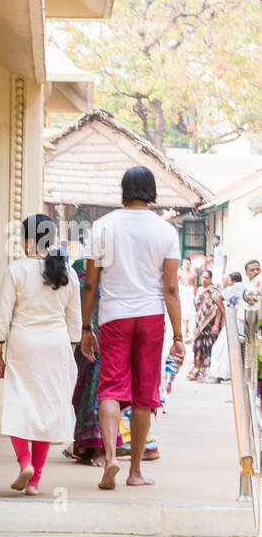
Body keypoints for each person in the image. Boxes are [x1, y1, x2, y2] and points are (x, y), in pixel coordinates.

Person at [81, 166, 184, 490]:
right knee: (144, 396)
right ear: (151, 191)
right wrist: (179, 336)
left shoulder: (103, 227)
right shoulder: (165, 231)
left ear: (124, 190)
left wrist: (86, 327)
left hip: (113, 317)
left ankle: (111, 457)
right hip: (151, 317)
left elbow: (90, 285)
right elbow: (170, 289)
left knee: (110, 389)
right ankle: (135, 471)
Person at [0, 216, 82, 495]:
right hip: (56, 345)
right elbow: (74, 320)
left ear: (26, 239)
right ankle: (35, 481)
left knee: (20, 405)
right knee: (46, 408)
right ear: (50, 239)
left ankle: (24, 462)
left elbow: (2, 315)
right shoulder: (68, 273)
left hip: (23, 344)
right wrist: (69, 353)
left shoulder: (16, 270)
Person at [67, 254, 104, 465]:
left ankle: (99, 448)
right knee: (83, 394)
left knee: (96, 394)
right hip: (82, 337)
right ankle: (84, 445)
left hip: (101, 338)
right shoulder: (79, 268)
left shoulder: (111, 271)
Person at [208, 272, 246, 383]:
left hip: (235, 322)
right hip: (238, 322)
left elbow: (216, 297)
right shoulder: (245, 286)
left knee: (220, 347)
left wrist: (225, 314)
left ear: (233, 281)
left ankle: (218, 375)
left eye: (228, 281)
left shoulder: (236, 287)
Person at [186, 269, 223, 382]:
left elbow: (218, 309)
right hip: (199, 324)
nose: (203, 279)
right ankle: (197, 370)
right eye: (202, 277)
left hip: (210, 324)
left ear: (210, 279)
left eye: (206, 277)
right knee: (198, 347)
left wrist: (216, 324)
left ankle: (207, 371)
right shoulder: (199, 290)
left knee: (208, 348)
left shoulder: (214, 291)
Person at [176, 258, 197, 338]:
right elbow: (175, 282)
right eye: (185, 263)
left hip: (190, 291)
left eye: (188, 263)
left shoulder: (193, 274)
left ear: (190, 264)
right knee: (183, 309)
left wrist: (195, 296)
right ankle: (185, 327)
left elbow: (195, 285)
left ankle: (185, 329)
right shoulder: (180, 272)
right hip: (182, 291)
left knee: (188, 310)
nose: (186, 264)